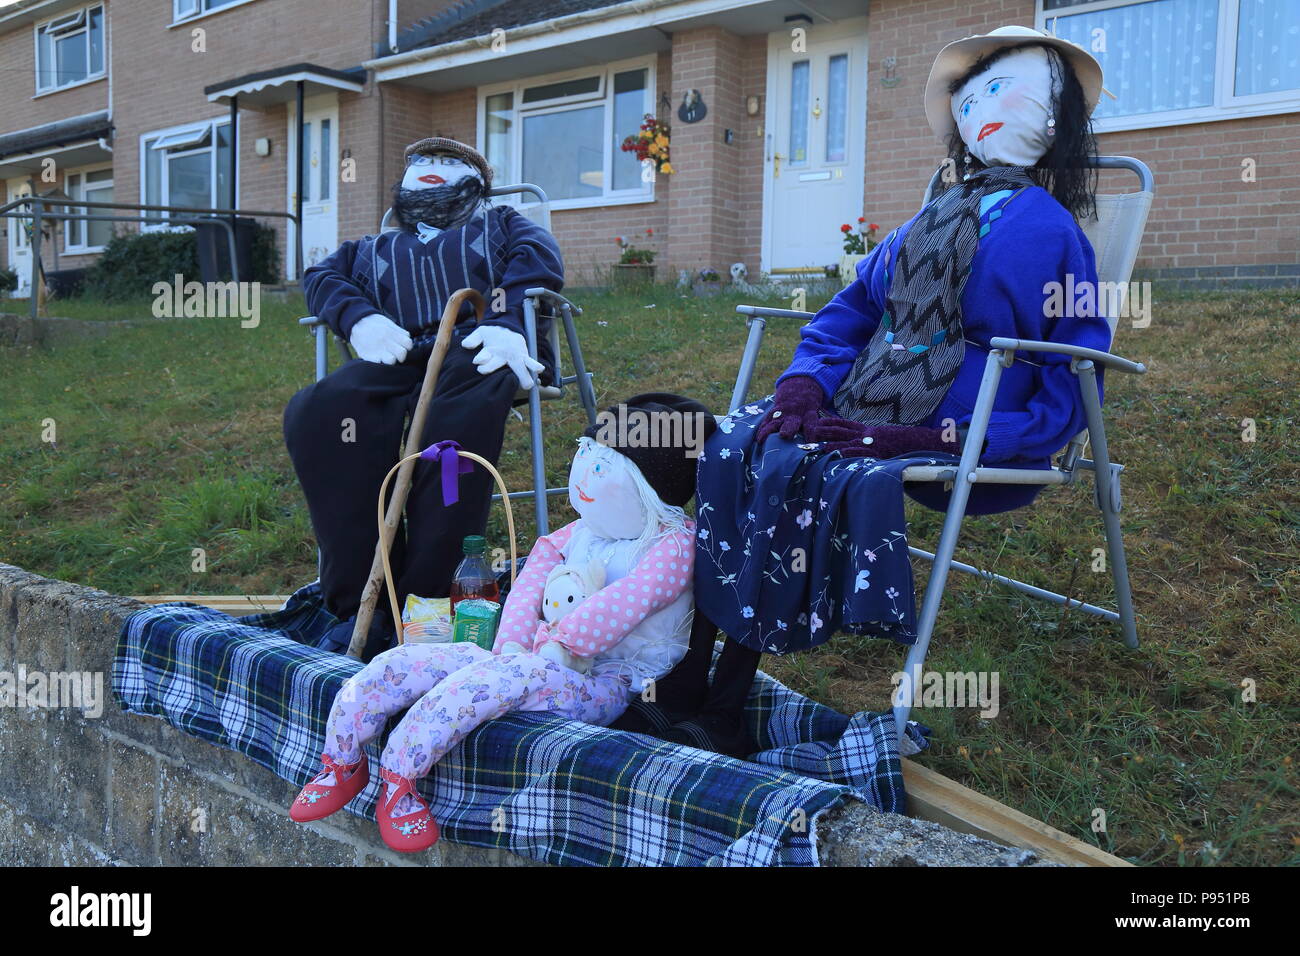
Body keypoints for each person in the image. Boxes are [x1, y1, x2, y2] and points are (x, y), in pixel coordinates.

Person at [624, 25, 1112, 756]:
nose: (980, 109)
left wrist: (949, 438)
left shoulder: (1054, 231)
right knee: (738, 447)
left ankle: (724, 705)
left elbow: (1075, 369)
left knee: (809, 468)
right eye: (971, 96)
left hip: (958, 421)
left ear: (1052, 116)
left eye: (1004, 91)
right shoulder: (929, 217)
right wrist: (801, 386)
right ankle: (691, 673)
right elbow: (850, 312)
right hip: (856, 405)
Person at [288, 394, 714, 852]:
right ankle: (343, 756)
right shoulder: (580, 533)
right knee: (408, 661)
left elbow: (624, 604)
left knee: (485, 685)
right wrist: (511, 644)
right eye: (586, 457)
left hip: (609, 679)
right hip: (529, 654)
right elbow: (529, 583)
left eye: (606, 469)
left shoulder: (671, 545)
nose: (583, 478)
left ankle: (400, 775)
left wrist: (557, 648)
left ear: (649, 487)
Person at [282, 138, 563, 655]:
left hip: (480, 348)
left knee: (451, 436)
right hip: (401, 355)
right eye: (421, 162)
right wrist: (358, 317)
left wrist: (505, 323)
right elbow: (321, 275)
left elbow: (537, 260)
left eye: (448, 162)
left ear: (475, 181)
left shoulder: (500, 224)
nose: (432, 169)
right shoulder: (372, 248)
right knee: (319, 413)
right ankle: (359, 601)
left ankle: (427, 604)